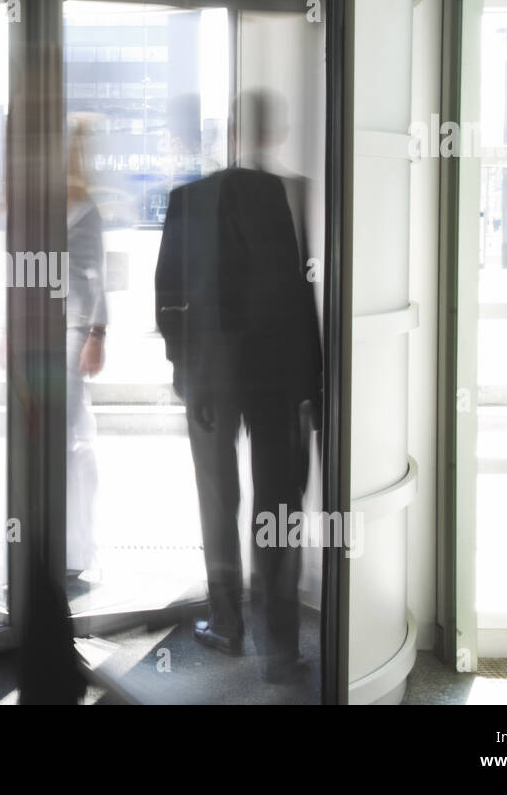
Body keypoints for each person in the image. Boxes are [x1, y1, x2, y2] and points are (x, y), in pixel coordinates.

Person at [153, 87, 320, 682]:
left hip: (213, 379)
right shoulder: (300, 197)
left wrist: (182, 368)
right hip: (279, 380)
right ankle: (281, 646)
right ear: (279, 130)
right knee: (278, 505)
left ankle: (227, 625)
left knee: (218, 502)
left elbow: (167, 294)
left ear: (229, 129)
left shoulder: (190, 199)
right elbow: (309, 301)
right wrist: (311, 390)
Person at [65, 115, 107, 581]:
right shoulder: (46, 204)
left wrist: (97, 335)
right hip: (48, 335)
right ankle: (66, 546)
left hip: (71, 336)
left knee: (76, 443)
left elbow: (97, 277)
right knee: (69, 443)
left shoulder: (85, 209)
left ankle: (77, 548)